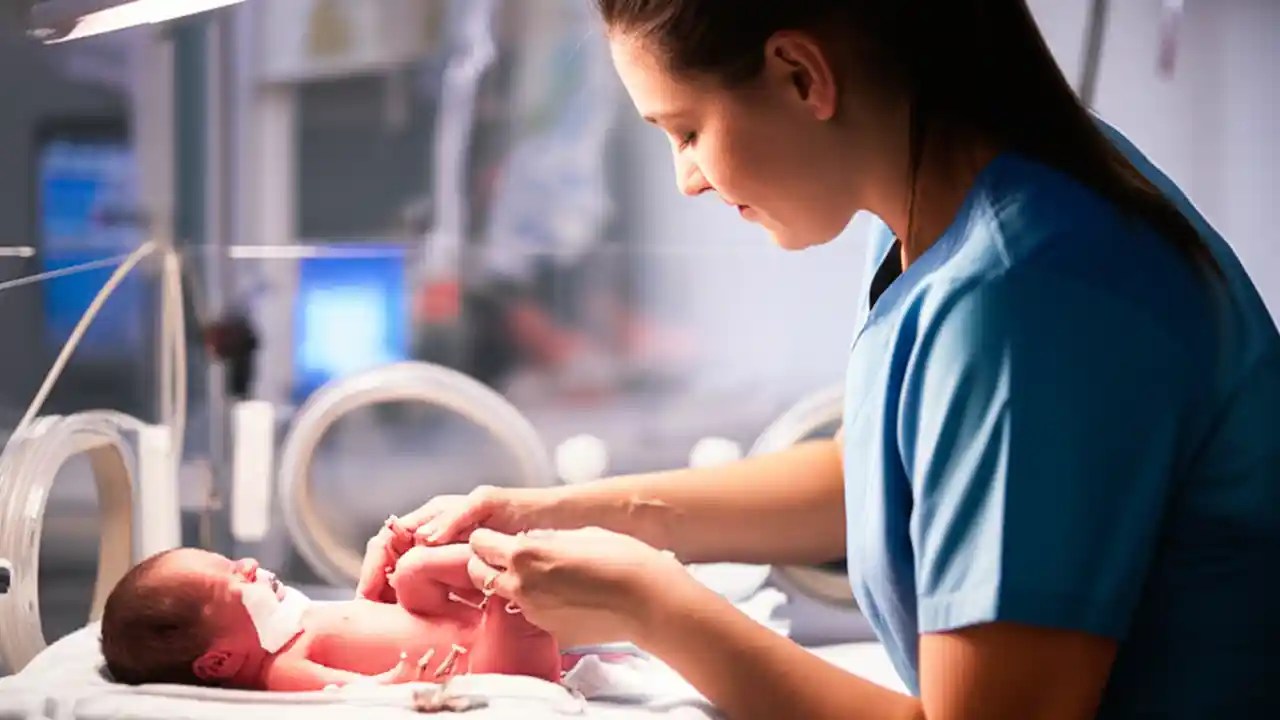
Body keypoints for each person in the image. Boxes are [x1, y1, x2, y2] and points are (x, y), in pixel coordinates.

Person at [358, 1, 1280, 718]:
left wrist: (658, 609)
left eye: (686, 130)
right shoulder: (967, 214)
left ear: (802, 74)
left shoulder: (1029, 292)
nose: (687, 177)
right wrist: (559, 513)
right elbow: (902, 478)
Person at [100, 544, 560, 691]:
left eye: (228, 559)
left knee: (415, 571)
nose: (246, 565)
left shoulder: (303, 619)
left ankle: (498, 558)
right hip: (487, 661)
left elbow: (370, 619)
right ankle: (515, 570)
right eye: (228, 579)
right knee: (514, 605)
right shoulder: (285, 667)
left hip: (461, 620)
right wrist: (397, 682)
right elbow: (359, 695)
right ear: (218, 662)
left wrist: (382, 584)